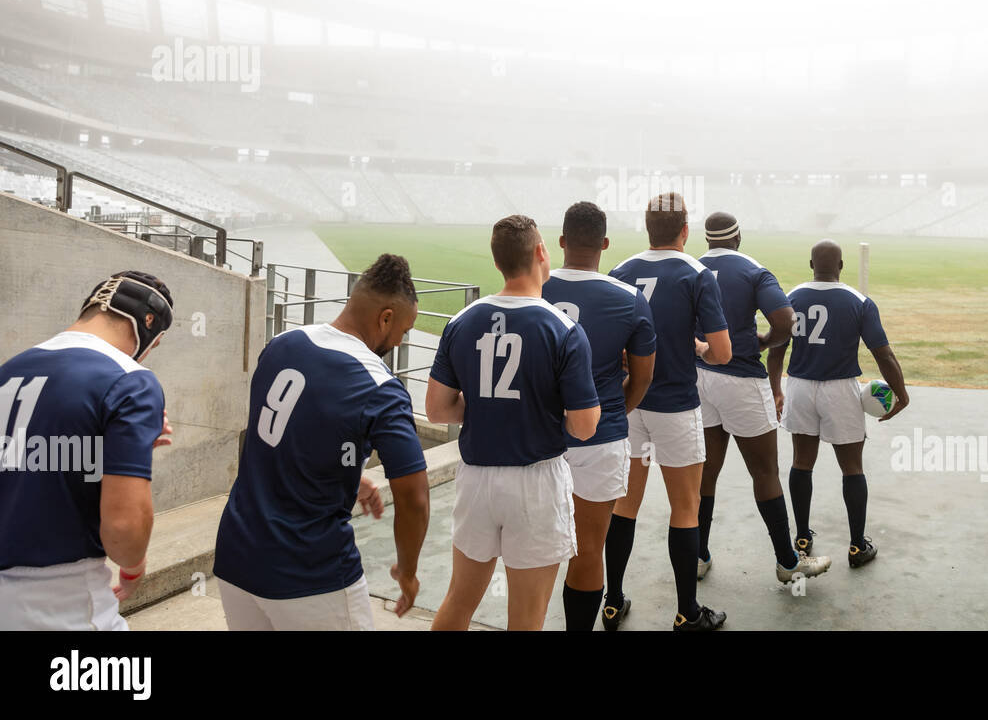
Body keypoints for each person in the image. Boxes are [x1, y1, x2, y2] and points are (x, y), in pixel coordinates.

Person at [214, 254, 430, 630]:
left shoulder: (282, 343)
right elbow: (414, 497)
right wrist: (407, 571)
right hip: (310, 575)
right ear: (386, 317)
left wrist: (347, 475)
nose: (399, 342)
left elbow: (274, 438)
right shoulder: (379, 385)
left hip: (236, 558)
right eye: (404, 330)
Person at [426, 215, 601, 630]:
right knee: (526, 618)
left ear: (497, 260)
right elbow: (584, 426)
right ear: (542, 253)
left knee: (458, 601)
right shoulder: (564, 329)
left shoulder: (461, 320)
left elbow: (437, 409)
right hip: (535, 483)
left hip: (476, 480)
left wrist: (485, 405)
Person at [0, 271, 174, 630]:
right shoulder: (130, 380)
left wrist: (122, 448)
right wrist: (133, 569)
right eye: (153, 346)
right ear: (147, 326)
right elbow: (124, 532)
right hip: (62, 603)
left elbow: (31, 464)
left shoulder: (9, 370)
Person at [605, 192, 731, 631]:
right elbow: (721, 352)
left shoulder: (620, 271)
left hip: (630, 403)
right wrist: (696, 347)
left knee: (625, 504)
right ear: (685, 230)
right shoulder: (698, 273)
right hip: (676, 406)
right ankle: (686, 613)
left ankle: (612, 600)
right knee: (685, 508)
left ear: (647, 228)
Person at [695, 212, 831, 584]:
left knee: (706, 473)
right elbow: (786, 320)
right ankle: (787, 563)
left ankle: (699, 555)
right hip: (740, 377)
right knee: (765, 472)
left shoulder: (692, 267)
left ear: (707, 239)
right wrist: (767, 341)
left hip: (700, 375)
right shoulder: (754, 270)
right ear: (738, 237)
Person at [542, 202, 656, 631]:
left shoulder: (534, 290)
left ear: (562, 242)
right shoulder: (630, 300)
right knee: (588, 549)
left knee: (533, 551)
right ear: (605, 245)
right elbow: (643, 379)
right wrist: (613, 411)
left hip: (538, 437)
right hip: (601, 437)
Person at [767, 239, 910, 568]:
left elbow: (776, 352)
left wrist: (776, 389)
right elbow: (883, 354)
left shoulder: (790, 298)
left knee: (802, 462)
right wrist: (901, 393)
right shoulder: (859, 301)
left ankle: (802, 537)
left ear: (811, 264)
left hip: (800, 386)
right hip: (840, 389)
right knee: (852, 467)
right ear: (842, 266)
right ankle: (857, 546)